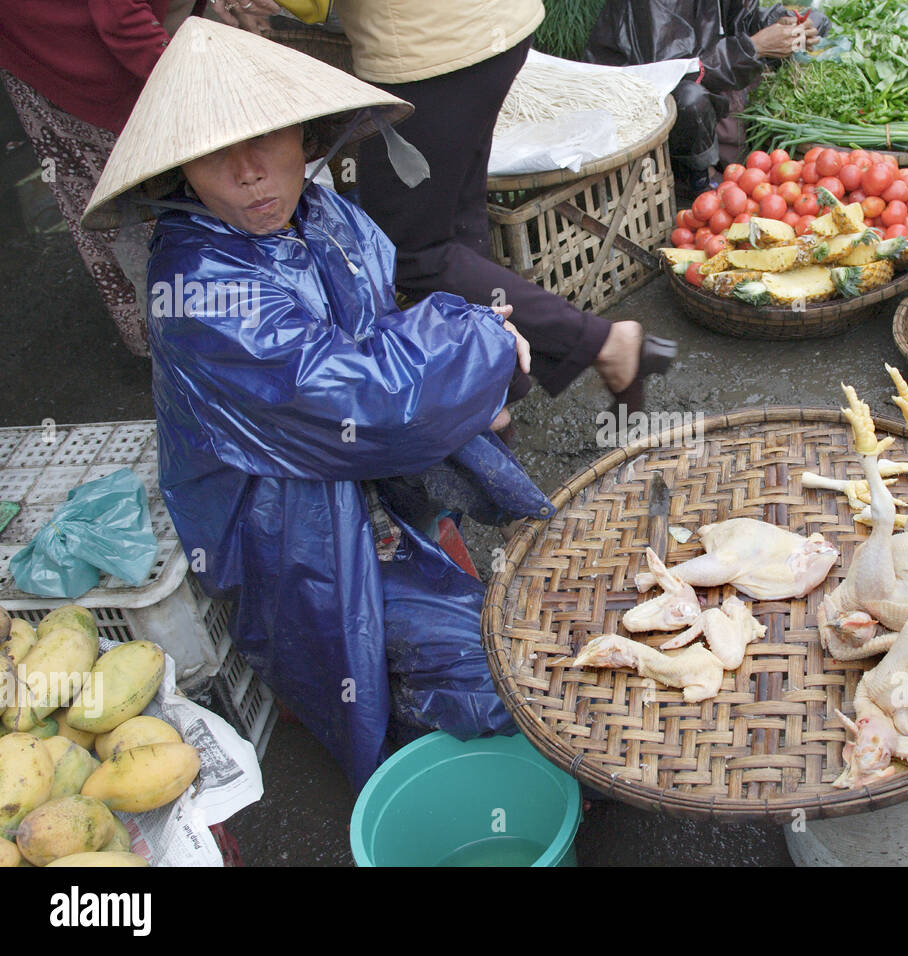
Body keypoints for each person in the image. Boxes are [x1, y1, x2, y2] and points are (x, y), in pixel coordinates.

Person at [82, 18, 551, 791]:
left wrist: (473, 366)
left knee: (529, 628)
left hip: (365, 489)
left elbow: (379, 336)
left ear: (307, 135)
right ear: (179, 173)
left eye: (267, 140)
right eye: (213, 154)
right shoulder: (200, 289)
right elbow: (362, 397)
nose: (248, 172)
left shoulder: (327, 216)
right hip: (288, 536)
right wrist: (482, 348)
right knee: (505, 676)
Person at [330, 0, 676, 415]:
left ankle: (603, 343)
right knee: (456, 225)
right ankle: (497, 391)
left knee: (412, 252)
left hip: (428, 50)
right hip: (491, 29)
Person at [0, 0, 279, 357]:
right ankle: (183, 341)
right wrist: (197, 89)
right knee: (138, 200)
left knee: (169, 199)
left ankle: (194, 328)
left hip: (107, 37)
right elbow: (122, 22)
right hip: (70, 51)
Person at [584, 1, 824, 196]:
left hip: (697, 72)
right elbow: (673, 72)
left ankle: (724, 168)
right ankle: (695, 182)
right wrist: (754, 48)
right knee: (690, 99)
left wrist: (784, 25)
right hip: (636, 102)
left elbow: (742, 19)